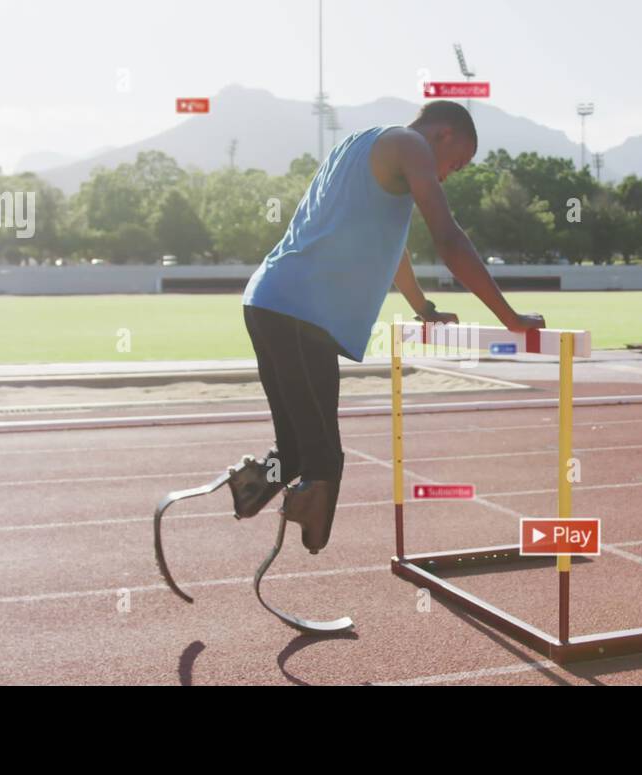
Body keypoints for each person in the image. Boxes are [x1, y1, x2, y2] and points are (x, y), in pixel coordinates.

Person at [225, 100, 545, 554]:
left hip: (267, 302)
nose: (446, 177)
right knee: (324, 461)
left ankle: (253, 483)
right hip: (300, 313)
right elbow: (449, 238)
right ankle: (308, 511)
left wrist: (424, 307)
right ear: (444, 134)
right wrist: (509, 318)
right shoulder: (410, 146)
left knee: (294, 452)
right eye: (455, 164)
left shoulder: (357, 146)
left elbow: (394, 250)